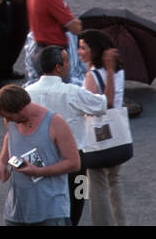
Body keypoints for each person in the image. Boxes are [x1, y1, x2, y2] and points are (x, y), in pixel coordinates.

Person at [25, 44, 111, 226]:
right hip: (76, 161)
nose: (69, 64)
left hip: (38, 158)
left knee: (45, 205)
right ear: (58, 67)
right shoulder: (73, 92)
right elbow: (103, 104)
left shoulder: (27, 93)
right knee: (77, 202)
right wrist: (109, 72)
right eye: (66, 61)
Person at [0, 84, 79, 226]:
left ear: (21, 108)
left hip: (50, 211)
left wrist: (39, 172)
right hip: (17, 210)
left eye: (10, 117)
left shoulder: (56, 123)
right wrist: (2, 162)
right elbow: (9, 137)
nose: (8, 121)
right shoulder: (11, 121)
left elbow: (74, 163)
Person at [78, 30, 127, 226]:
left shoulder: (93, 75)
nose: (79, 52)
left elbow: (104, 104)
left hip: (97, 136)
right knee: (114, 180)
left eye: (83, 48)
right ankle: (120, 222)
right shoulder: (119, 71)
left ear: (94, 50)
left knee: (97, 183)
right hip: (117, 134)